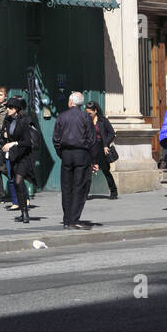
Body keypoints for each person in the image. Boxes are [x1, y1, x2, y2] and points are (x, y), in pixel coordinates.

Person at [52, 91, 96, 229]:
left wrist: (62, 153)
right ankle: (74, 219)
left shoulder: (62, 116)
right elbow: (92, 139)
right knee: (79, 187)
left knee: (67, 187)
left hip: (66, 154)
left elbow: (56, 139)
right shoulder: (85, 117)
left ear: (70, 102)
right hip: (81, 154)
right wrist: (92, 158)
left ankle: (67, 219)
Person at [1, 96, 36, 223]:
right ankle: (23, 211)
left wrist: (13, 143)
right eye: (7, 107)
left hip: (25, 156)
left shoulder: (24, 121)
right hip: (14, 156)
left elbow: (27, 142)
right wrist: (5, 138)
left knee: (18, 181)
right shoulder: (8, 120)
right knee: (17, 184)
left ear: (17, 109)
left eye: (10, 107)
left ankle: (25, 213)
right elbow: (4, 136)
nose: (8, 109)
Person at [85, 101, 119, 199]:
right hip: (91, 148)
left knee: (105, 170)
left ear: (95, 111)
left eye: (89, 113)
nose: (88, 115)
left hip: (101, 148)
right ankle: (85, 193)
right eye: (86, 113)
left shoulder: (103, 120)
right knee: (88, 171)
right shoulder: (86, 121)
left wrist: (105, 145)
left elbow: (112, 133)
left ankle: (113, 191)